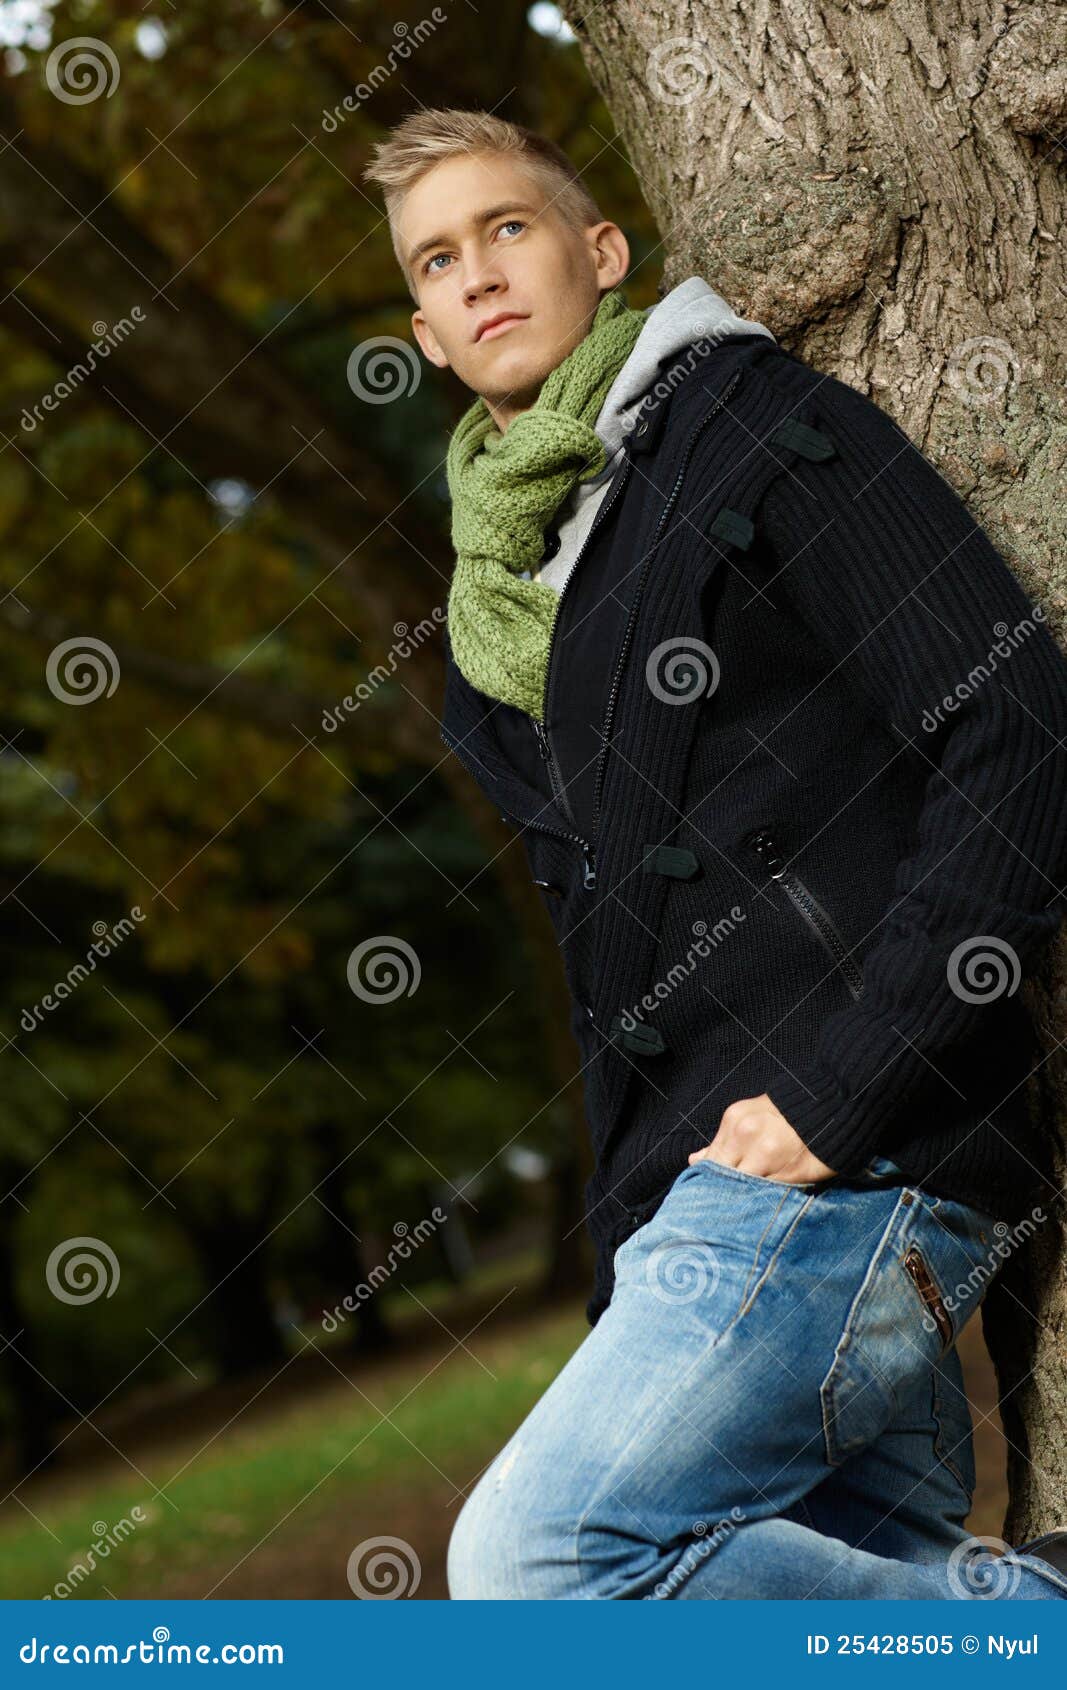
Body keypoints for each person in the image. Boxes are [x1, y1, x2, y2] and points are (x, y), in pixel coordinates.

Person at [362, 107, 1067, 1599]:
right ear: (423, 333)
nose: (478, 272)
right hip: (692, 1200)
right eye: (436, 260)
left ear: (602, 250)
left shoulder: (751, 430)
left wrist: (842, 1089)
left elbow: (1015, 724)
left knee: (538, 1563)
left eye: (507, 228)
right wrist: (628, 1250)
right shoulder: (491, 613)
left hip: (851, 1156)